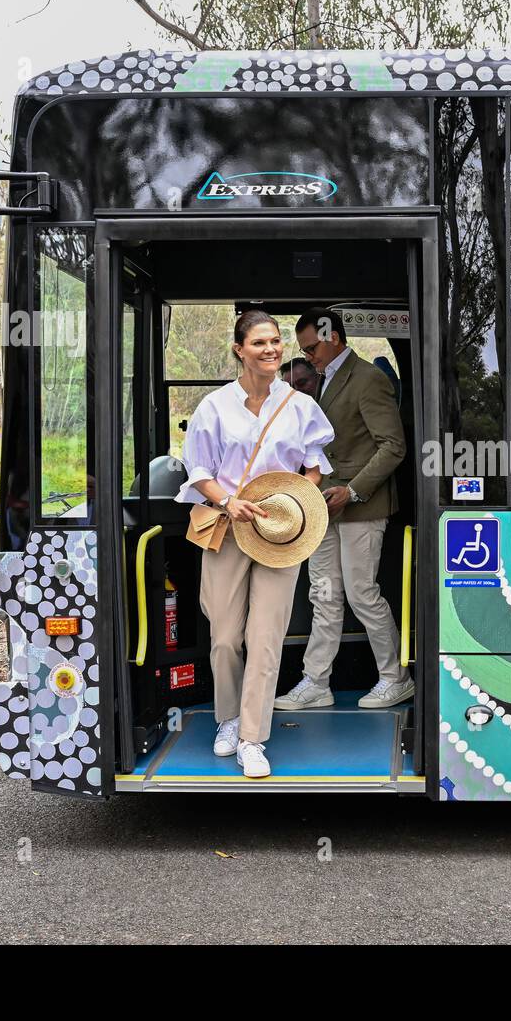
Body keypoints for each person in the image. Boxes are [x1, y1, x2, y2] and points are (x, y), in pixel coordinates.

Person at [175, 309, 334, 777]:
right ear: (239, 350)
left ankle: (252, 738)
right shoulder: (214, 406)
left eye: (275, 342)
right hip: (226, 527)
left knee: (265, 639)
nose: (271, 350)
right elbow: (199, 472)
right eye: (260, 343)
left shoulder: (300, 405)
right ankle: (227, 718)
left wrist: (298, 501)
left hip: (280, 533)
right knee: (225, 637)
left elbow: (314, 463)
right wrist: (229, 503)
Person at [274, 306, 411, 710]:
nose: (308, 355)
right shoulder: (321, 381)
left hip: (360, 507)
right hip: (323, 506)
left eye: (312, 347)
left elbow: (394, 446)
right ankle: (316, 681)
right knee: (324, 594)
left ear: (333, 336)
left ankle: (395, 677)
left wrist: (351, 492)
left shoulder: (367, 379)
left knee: (362, 594)